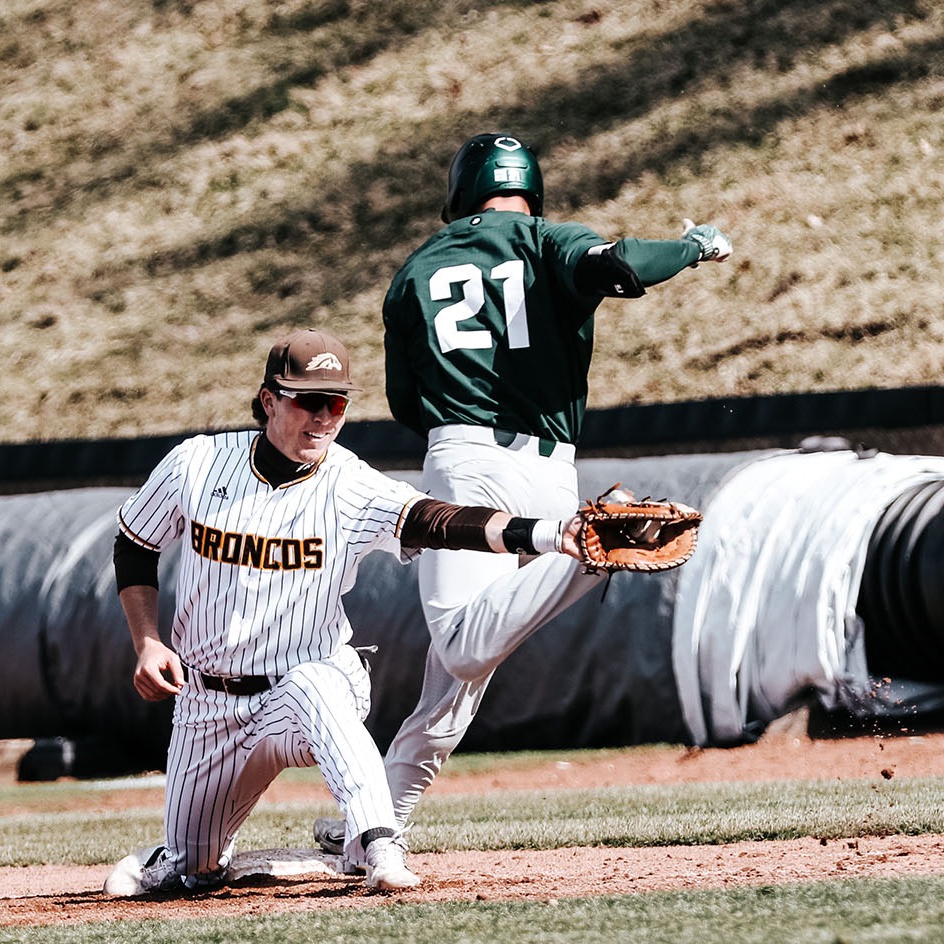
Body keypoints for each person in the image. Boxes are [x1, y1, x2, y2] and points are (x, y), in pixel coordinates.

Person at [311, 132, 734, 853]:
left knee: (461, 647)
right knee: (450, 682)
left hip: (464, 457)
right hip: (551, 468)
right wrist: (692, 246)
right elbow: (623, 264)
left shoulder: (417, 267)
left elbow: (409, 401)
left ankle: (588, 549)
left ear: (460, 191)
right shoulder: (547, 239)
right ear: (529, 188)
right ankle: (372, 825)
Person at [104, 329, 590, 897]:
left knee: (315, 686)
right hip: (207, 702)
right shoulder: (198, 464)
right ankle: (196, 857)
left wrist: (552, 533)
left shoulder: (347, 483)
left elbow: (437, 520)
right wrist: (147, 641)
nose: (324, 417)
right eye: (309, 401)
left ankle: (377, 843)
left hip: (306, 680)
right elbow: (134, 544)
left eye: (336, 404)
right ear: (268, 400)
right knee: (195, 868)